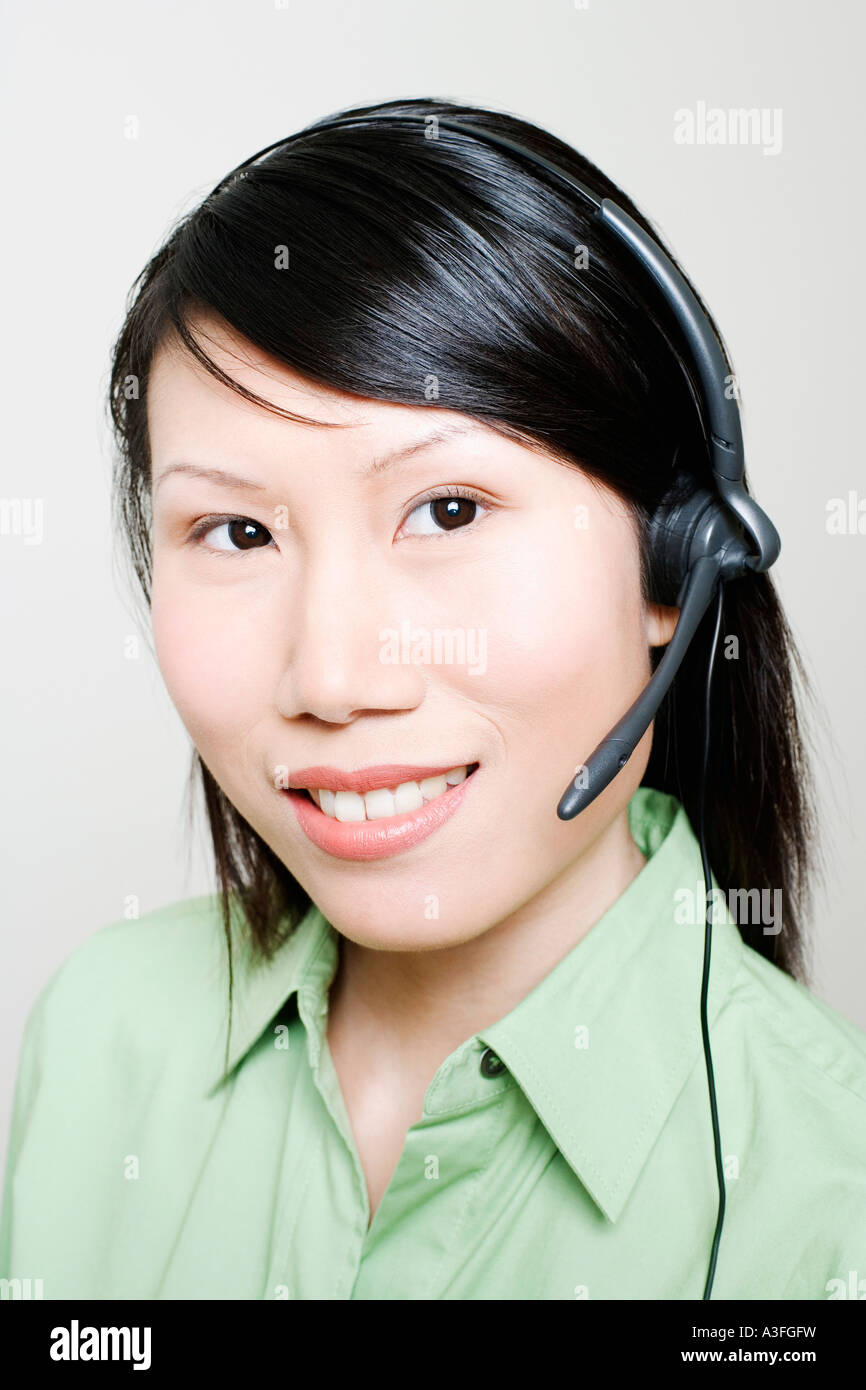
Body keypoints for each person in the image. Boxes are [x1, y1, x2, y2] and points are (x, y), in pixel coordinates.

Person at [2, 96, 865, 1301]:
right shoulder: (102, 1033)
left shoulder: (830, 1202)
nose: (335, 679)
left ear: (679, 561)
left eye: (447, 510)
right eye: (236, 530)